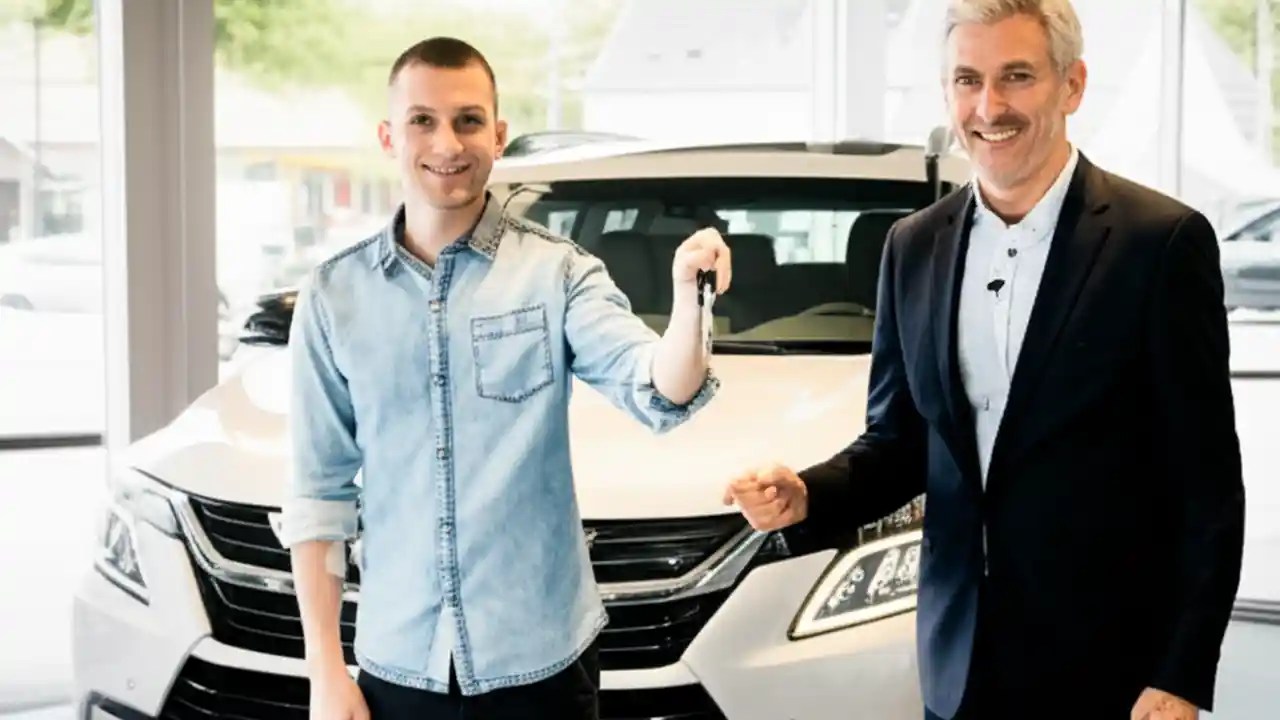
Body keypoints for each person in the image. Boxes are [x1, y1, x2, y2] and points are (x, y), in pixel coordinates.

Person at [722, 1, 1245, 718]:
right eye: (967, 79)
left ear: (1072, 86)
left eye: (1017, 77)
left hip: (1112, 666)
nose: (988, 106)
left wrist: (1182, 671)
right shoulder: (913, 245)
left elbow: (1207, 487)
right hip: (958, 659)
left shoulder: (1161, 242)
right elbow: (901, 442)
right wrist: (807, 494)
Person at [276, 37, 730, 720]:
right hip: (399, 668)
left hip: (540, 665)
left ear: (498, 133)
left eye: (467, 120)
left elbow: (657, 386)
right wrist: (325, 673)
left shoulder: (559, 272)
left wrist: (689, 298)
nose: (447, 143)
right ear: (387, 136)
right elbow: (319, 495)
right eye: (422, 121)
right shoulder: (334, 294)